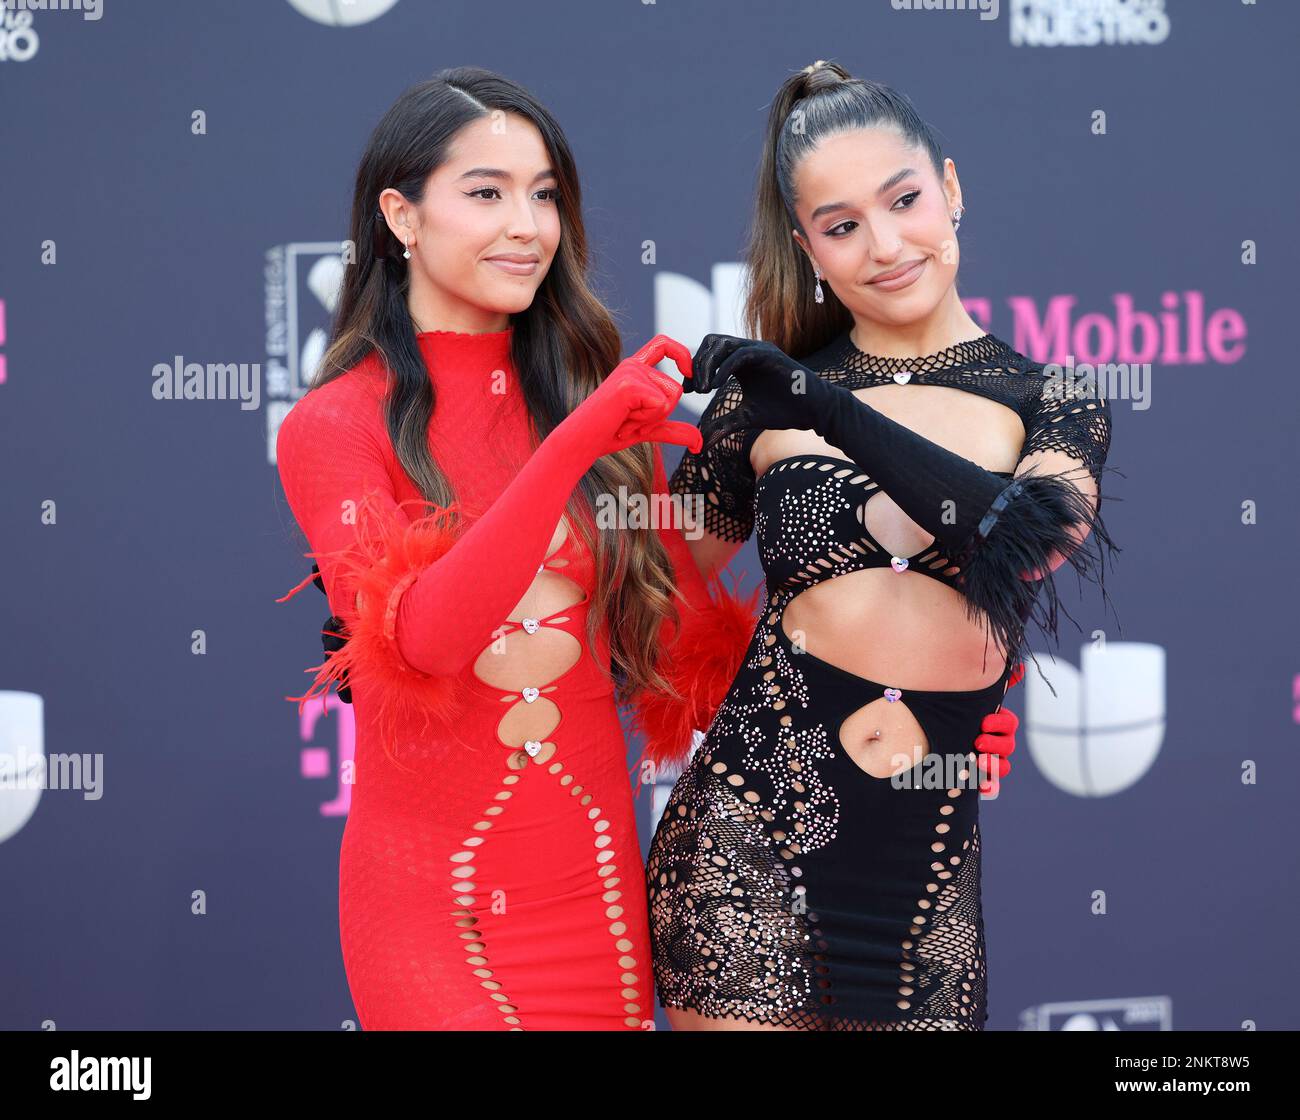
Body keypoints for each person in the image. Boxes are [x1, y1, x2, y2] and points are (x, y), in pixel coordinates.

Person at [274, 68, 758, 1030]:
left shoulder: (586, 407)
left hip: (599, 904)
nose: (527, 225)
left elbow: (679, 657)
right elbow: (423, 643)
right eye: (486, 192)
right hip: (428, 905)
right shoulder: (333, 427)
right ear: (400, 217)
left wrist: (923, 706)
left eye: (544, 196)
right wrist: (574, 446)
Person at [645, 60, 1119, 1031]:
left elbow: (1023, 540)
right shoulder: (758, 403)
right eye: (841, 224)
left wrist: (824, 405)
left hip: (926, 872)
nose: (885, 244)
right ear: (806, 245)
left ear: (949, 189)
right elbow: (640, 582)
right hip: (747, 838)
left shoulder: (1052, 398)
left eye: (903, 200)